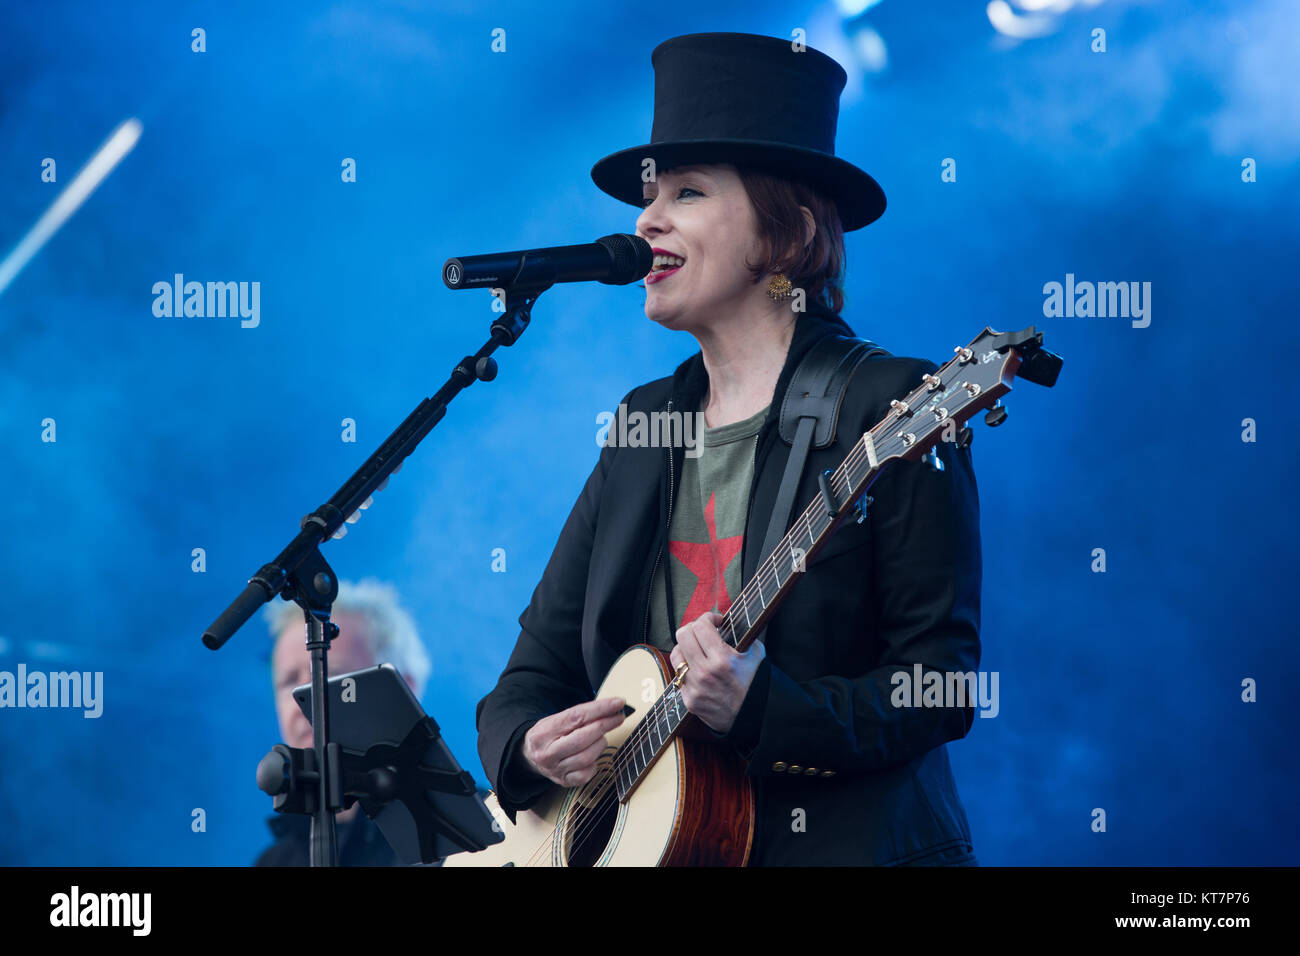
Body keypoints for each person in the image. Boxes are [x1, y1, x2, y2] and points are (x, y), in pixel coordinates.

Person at [475, 32, 982, 865]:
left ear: (785, 233)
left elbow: (942, 686)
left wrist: (764, 712)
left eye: (689, 192)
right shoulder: (644, 424)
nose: (647, 221)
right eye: (649, 196)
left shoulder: (889, 405)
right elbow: (529, 675)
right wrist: (529, 749)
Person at [255, 578, 432, 866]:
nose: (304, 699)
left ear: (403, 689)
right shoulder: (273, 863)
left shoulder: (476, 836)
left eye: (330, 674)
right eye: (289, 682)